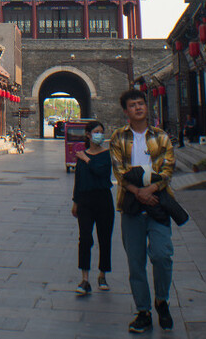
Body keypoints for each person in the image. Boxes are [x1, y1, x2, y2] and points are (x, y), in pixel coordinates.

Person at [111, 89, 176, 334]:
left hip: (158, 203)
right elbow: (118, 170)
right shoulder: (118, 138)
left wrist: (152, 189)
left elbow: (168, 168)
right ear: (126, 111)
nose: (138, 108)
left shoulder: (161, 137)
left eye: (141, 103)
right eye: (133, 105)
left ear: (146, 107)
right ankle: (143, 311)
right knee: (135, 262)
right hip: (132, 206)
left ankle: (162, 300)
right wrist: (137, 192)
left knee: (162, 255)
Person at [72, 120, 114, 295]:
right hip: (85, 201)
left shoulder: (106, 155)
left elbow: (103, 173)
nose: (100, 135)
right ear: (88, 135)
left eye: (101, 131)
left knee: (104, 239)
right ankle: (85, 279)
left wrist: (87, 159)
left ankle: (102, 275)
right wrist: (75, 201)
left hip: (103, 199)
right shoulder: (81, 156)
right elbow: (78, 179)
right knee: (85, 239)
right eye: (96, 132)